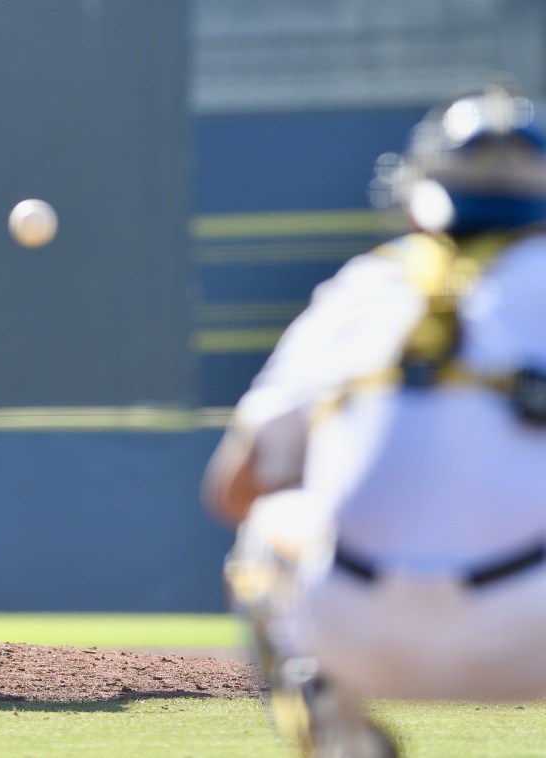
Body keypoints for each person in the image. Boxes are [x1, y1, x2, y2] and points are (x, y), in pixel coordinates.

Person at [202, 83, 546, 758]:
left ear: (421, 194)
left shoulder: (361, 287)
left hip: (357, 636)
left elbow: (233, 491)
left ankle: (339, 736)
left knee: (268, 531)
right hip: (534, 634)